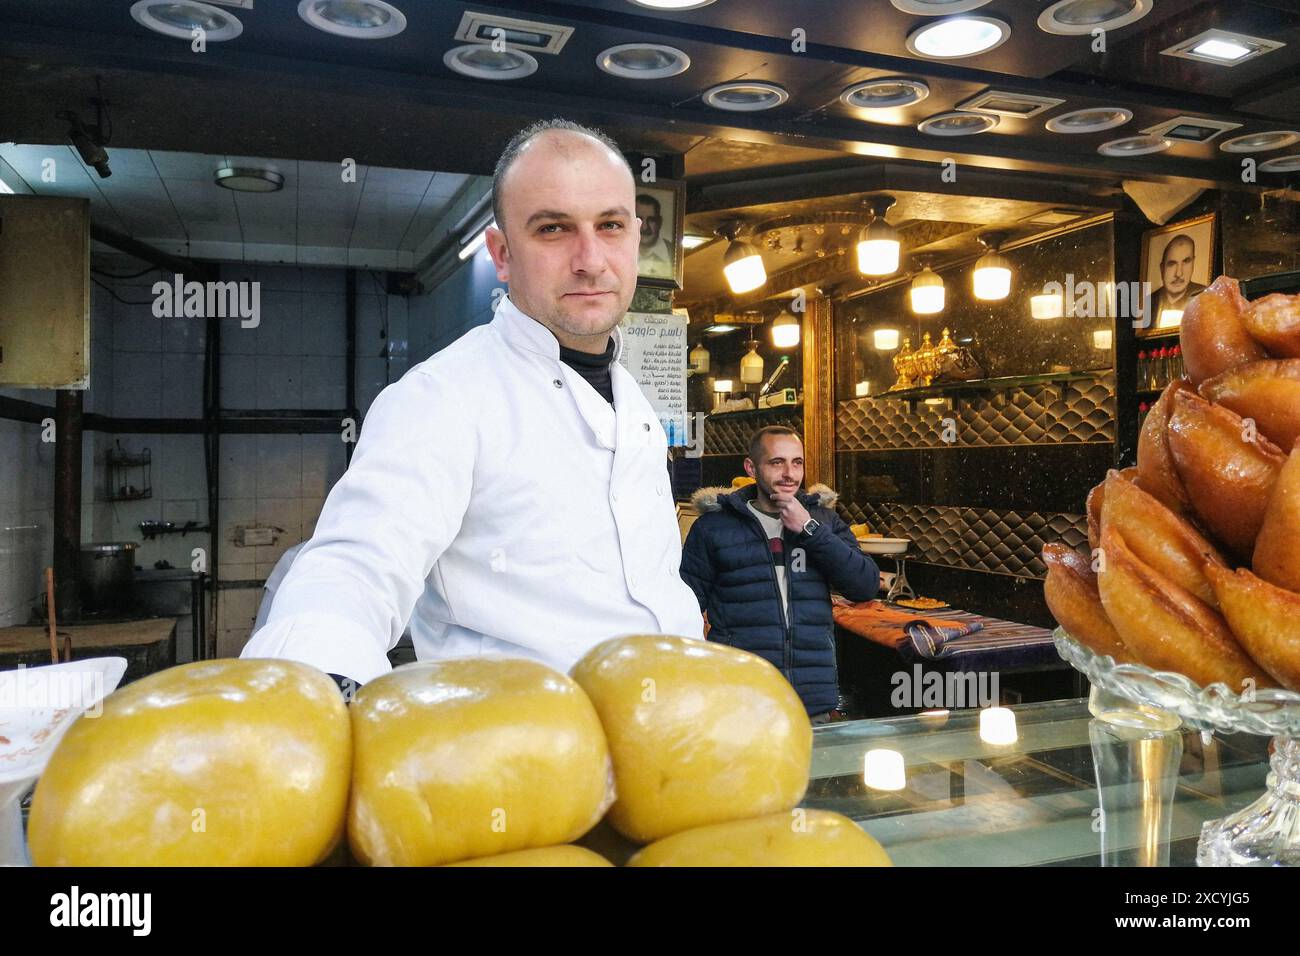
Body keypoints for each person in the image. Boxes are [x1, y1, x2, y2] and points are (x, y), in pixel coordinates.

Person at [241, 118, 703, 687]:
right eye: (553, 229)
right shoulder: (441, 399)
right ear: (502, 253)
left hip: (669, 745)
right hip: (517, 761)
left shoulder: (630, 400)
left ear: (636, 237)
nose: (589, 258)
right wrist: (316, 689)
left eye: (609, 225)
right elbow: (353, 565)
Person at [680, 426, 880, 721]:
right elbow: (684, 611)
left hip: (811, 701)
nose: (790, 473)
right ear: (751, 467)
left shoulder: (824, 520)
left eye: (797, 462)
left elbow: (865, 585)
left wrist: (809, 529)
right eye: (777, 462)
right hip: (741, 700)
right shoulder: (713, 528)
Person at [1149, 233, 1206, 328]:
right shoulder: (1148, 303)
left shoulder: (1206, 297)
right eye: (1172, 264)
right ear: (1162, 268)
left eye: (1186, 262)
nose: (1178, 274)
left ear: (1193, 263)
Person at [636, 192, 675, 279]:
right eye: (639, 219)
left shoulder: (673, 252)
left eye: (651, 220)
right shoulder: (616, 252)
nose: (645, 227)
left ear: (659, 222)